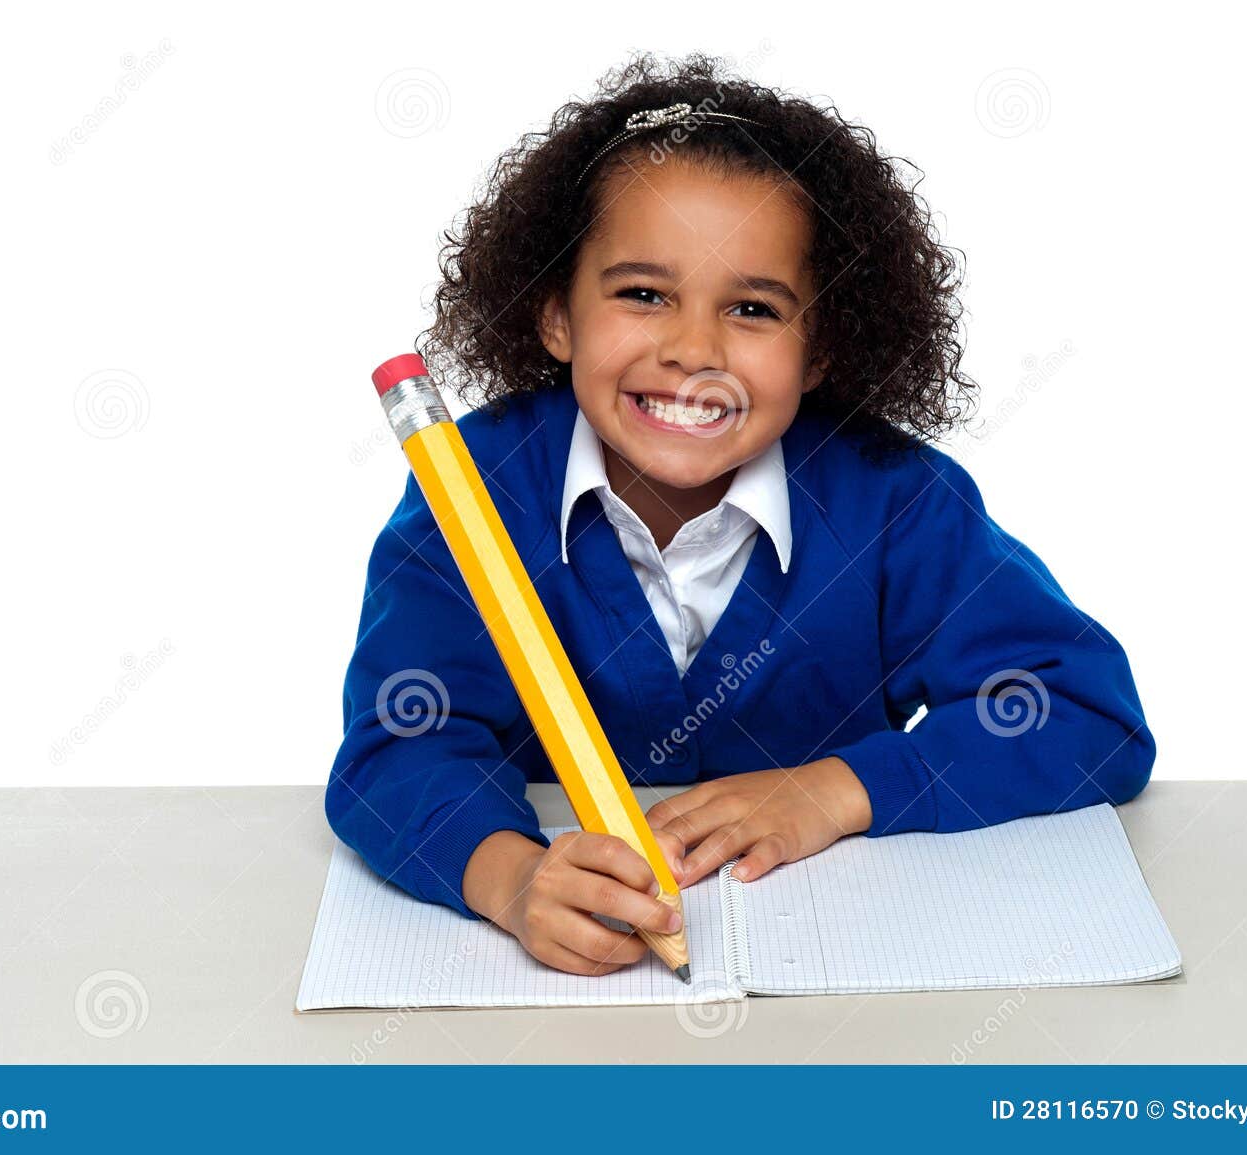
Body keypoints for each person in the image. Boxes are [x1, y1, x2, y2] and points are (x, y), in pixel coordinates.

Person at [327, 51, 1155, 977]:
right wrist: (511, 879)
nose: (694, 349)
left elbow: (1080, 707)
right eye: (644, 294)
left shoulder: (896, 501)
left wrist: (838, 790)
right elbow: (400, 745)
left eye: (754, 308)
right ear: (556, 314)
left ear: (820, 347)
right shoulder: (472, 493)